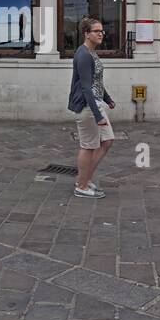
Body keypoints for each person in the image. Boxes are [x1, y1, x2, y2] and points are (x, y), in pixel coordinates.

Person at [67, 17, 117, 198]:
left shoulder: (91, 52)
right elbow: (86, 88)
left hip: (96, 103)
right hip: (87, 107)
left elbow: (97, 83)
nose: (101, 34)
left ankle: (84, 179)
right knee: (88, 146)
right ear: (86, 34)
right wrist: (98, 116)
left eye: (102, 31)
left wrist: (108, 99)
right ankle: (81, 186)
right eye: (96, 31)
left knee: (107, 141)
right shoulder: (83, 55)